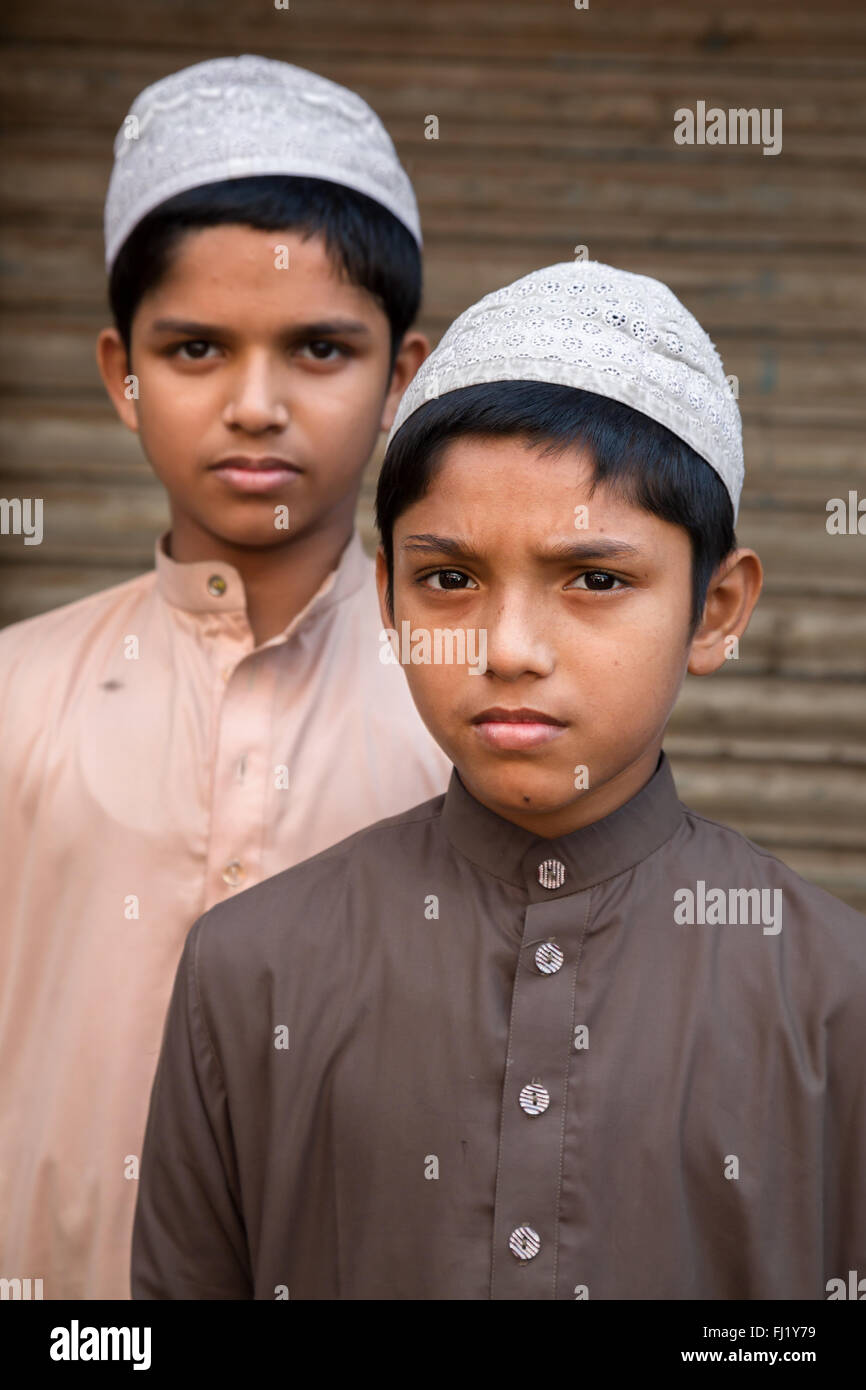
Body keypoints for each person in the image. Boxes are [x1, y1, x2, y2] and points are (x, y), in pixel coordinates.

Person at [131, 259, 866, 1300]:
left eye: (595, 580)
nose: (508, 648)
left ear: (714, 611)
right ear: (386, 599)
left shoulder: (836, 995)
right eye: (448, 579)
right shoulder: (249, 971)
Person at [0, 54, 450, 1300]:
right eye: (195, 348)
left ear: (401, 376)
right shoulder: (15, 698)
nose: (256, 405)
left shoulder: (469, 711)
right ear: (121, 375)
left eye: (317, 348)